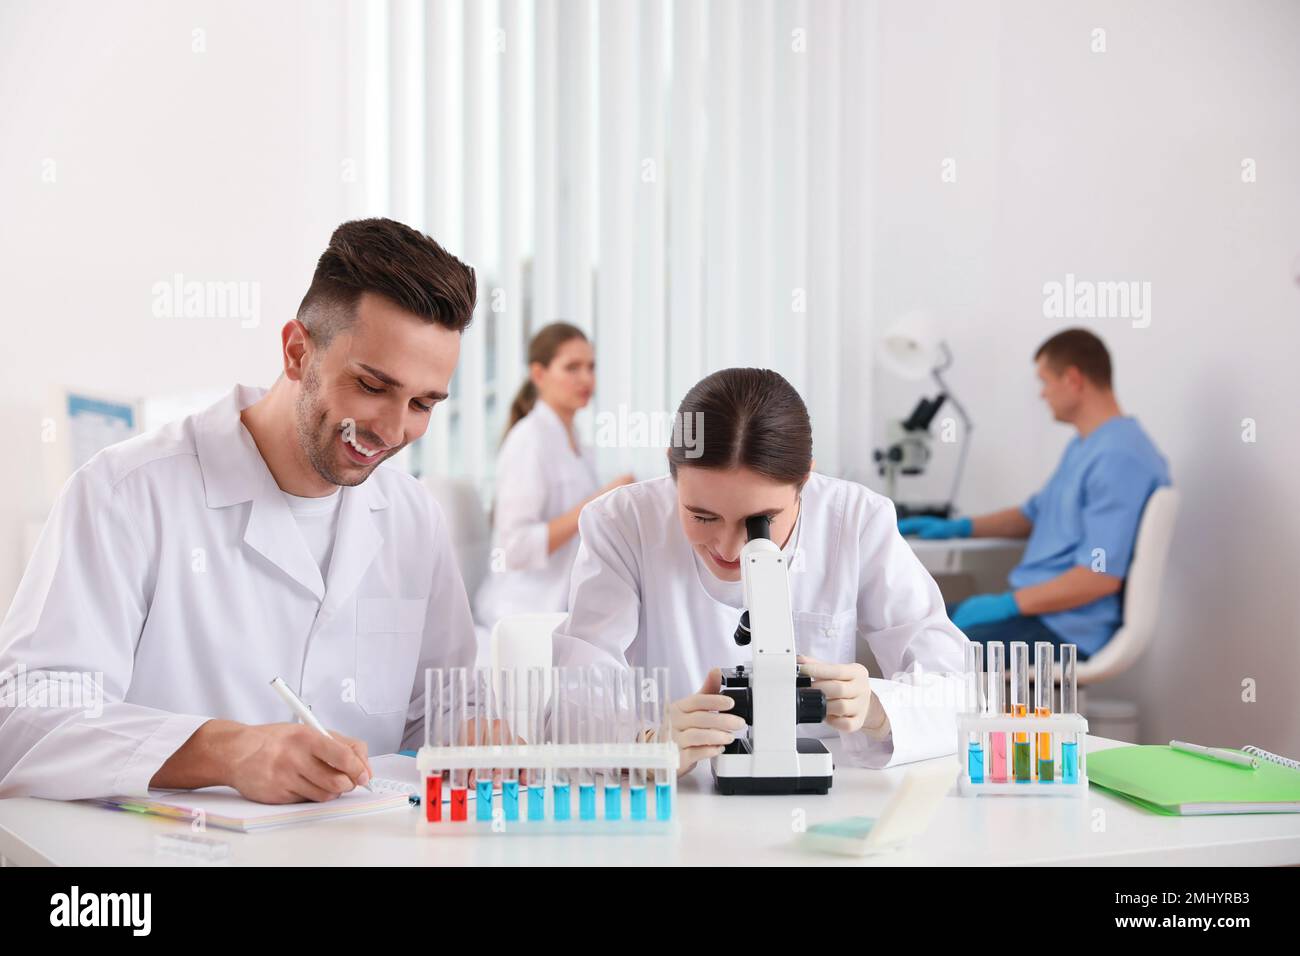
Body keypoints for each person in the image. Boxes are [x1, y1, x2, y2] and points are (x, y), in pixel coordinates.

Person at [0, 218, 479, 803]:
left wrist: (483, 738)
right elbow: (24, 723)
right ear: (297, 351)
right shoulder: (126, 493)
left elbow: (444, 712)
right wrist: (225, 751)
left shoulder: (412, 519)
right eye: (372, 386)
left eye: (423, 403)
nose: (392, 428)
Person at [554, 367, 968, 775]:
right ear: (672, 471)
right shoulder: (623, 523)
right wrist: (646, 747)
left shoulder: (855, 519)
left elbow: (957, 687)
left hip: (825, 796)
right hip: (673, 803)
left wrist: (878, 708)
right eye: (702, 517)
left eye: (760, 522)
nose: (731, 549)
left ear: (805, 479)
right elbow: (573, 701)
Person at [901, 328, 1171, 660]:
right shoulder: (1086, 445)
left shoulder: (1119, 458)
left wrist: (1007, 604)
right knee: (910, 626)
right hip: (1040, 614)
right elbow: (1034, 515)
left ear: (1073, 379)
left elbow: (1098, 578)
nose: (1042, 395)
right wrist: (958, 527)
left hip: (1063, 630)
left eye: (1045, 382)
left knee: (924, 652)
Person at [473, 322, 632, 631]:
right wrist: (596, 503)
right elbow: (515, 549)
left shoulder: (578, 443)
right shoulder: (528, 441)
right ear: (539, 374)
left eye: (591, 367)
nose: (586, 378)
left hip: (560, 608)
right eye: (572, 367)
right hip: (521, 613)